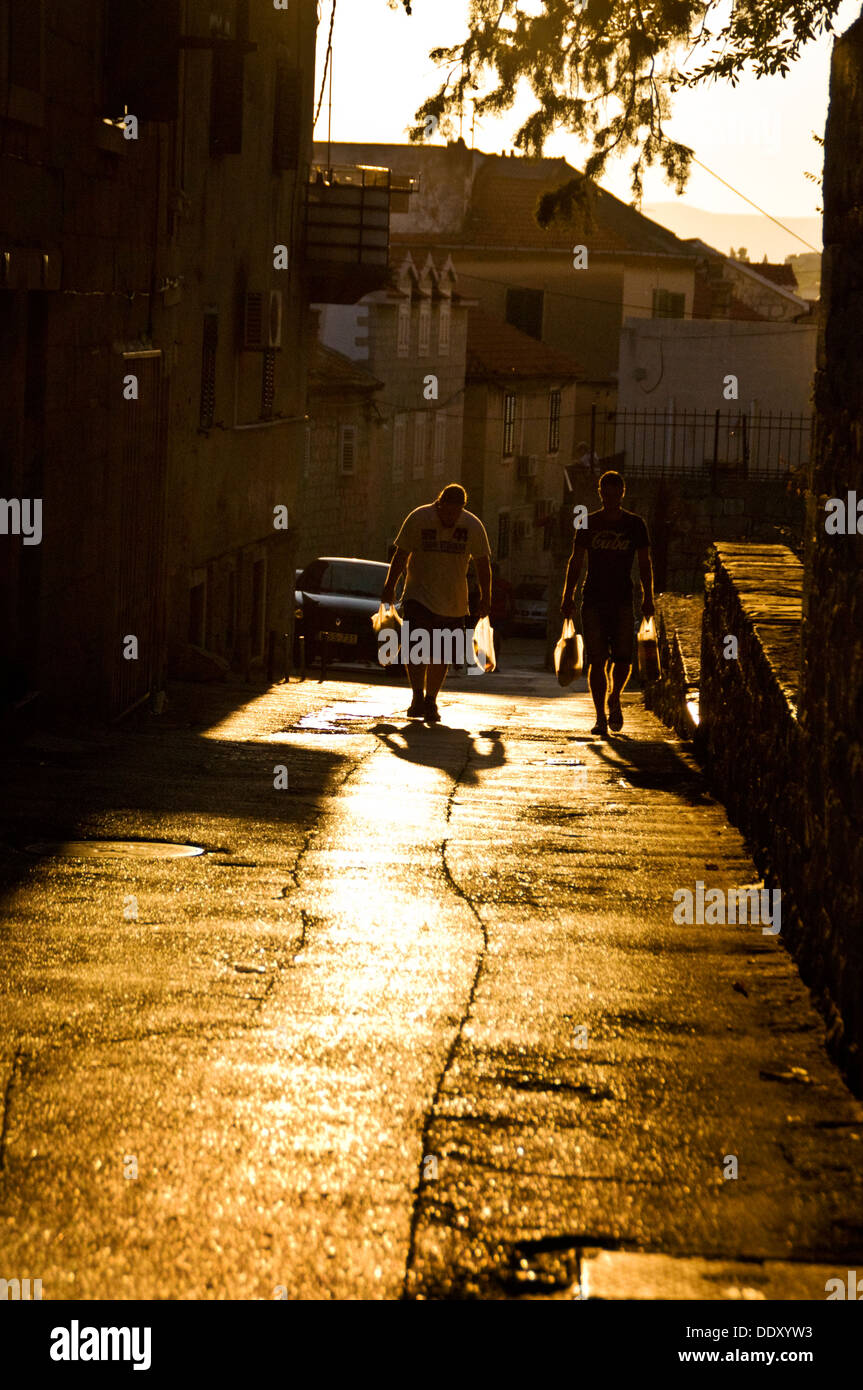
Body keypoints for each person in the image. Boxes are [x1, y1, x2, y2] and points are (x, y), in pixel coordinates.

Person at [381, 483, 492, 723]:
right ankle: (417, 696)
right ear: (439, 504)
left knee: (442, 653)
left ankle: (431, 700)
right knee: (416, 650)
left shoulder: (472, 525)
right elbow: (401, 555)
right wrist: (390, 587)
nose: (451, 517)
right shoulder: (419, 518)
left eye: (457, 512)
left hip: (454, 601)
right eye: (448, 511)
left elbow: (483, 564)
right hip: (418, 596)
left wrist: (486, 597)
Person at [560, 469, 654, 737]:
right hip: (593, 600)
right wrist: (568, 595)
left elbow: (645, 563)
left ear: (622, 494)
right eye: (606, 493)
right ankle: (601, 716)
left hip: (623, 599)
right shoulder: (588, 523)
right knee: (597, 661)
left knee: (623, 660)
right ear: (600, 494)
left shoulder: (636, 525)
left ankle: (615, 697)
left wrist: (648, 597)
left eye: (615, 493)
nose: (610, 498)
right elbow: (575, 561)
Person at [488, 564, 513, 670]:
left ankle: (494, 663)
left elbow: (511, 600)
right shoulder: (486, 583)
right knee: (491, 640)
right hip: (489, 615)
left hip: (498, 616)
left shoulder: (504, 585)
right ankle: (489, 663)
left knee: (496, 640)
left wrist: (510, 614)